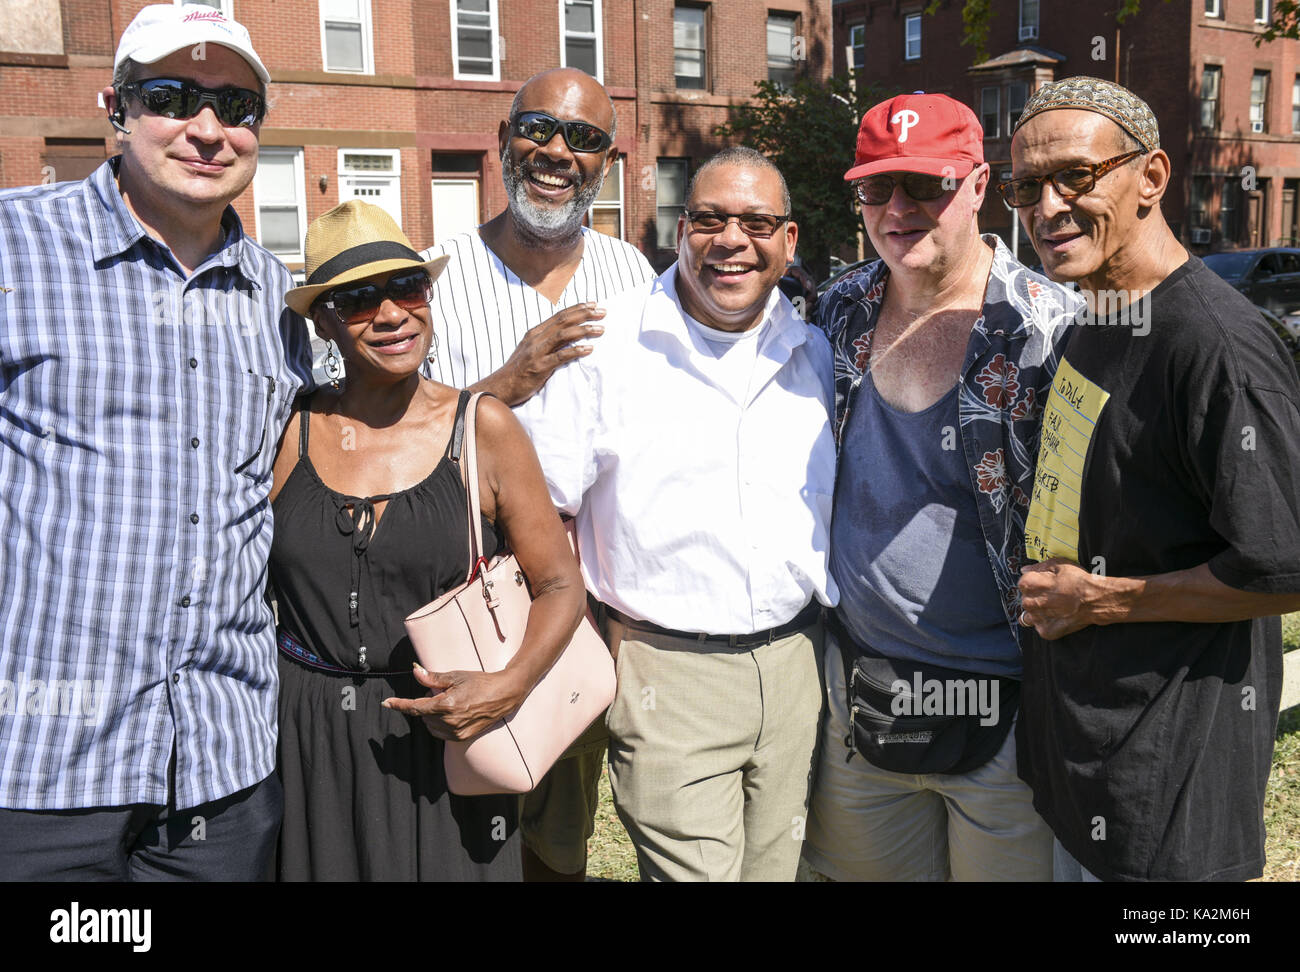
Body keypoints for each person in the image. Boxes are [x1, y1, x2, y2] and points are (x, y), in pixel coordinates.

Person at [0, 4, 311, 880]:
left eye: (236, 108)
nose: (207, 130)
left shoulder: (278, 298)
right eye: (172, 96)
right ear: (117, 108)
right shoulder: (16, 245)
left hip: (220, 767)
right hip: (40, 766)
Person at [1007, 77, 1300, 881]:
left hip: (1169, 797)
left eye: (1076, 175)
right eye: (1026, 186)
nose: (1047, 205)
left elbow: (1283, 567)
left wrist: (1100, 600)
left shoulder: (1214, 345)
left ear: (1152, 177)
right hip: (1082, 760)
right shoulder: (1092, 317)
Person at [516, 146, 837, 882]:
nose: (732, 241)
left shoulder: (814, 350)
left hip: (797, 670)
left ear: (789, 242)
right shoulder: (603, 346)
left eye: (757, 222)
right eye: (711, 219)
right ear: (680, 226)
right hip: (666, 675)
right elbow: (543, 510)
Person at [799, 93, 1080, 882]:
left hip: (1007, 702)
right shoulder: (839, 308)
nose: (898, 209)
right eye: (875, 189)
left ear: (979, 184)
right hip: (863, 692)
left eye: (925, 185)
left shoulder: (1050, 328)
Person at [272, 200, 587, 881]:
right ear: (324, 319)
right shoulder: (289, 432)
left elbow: (560, 584)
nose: (390, 313)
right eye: (358, 299)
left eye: (406, 287)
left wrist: (509, 685)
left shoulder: (484, 428)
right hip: (307, 742)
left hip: (453, 740)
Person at [419, 67, 654, 882]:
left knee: (558, 830)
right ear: (504, 139)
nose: (558, 152)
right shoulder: (434, 276)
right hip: (459, 590)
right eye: (539, 129)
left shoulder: (633, 277)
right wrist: (500, 388)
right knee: (453, 818)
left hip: (581, 603)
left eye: (585, 139)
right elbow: (387, 439)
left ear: (607, 161)